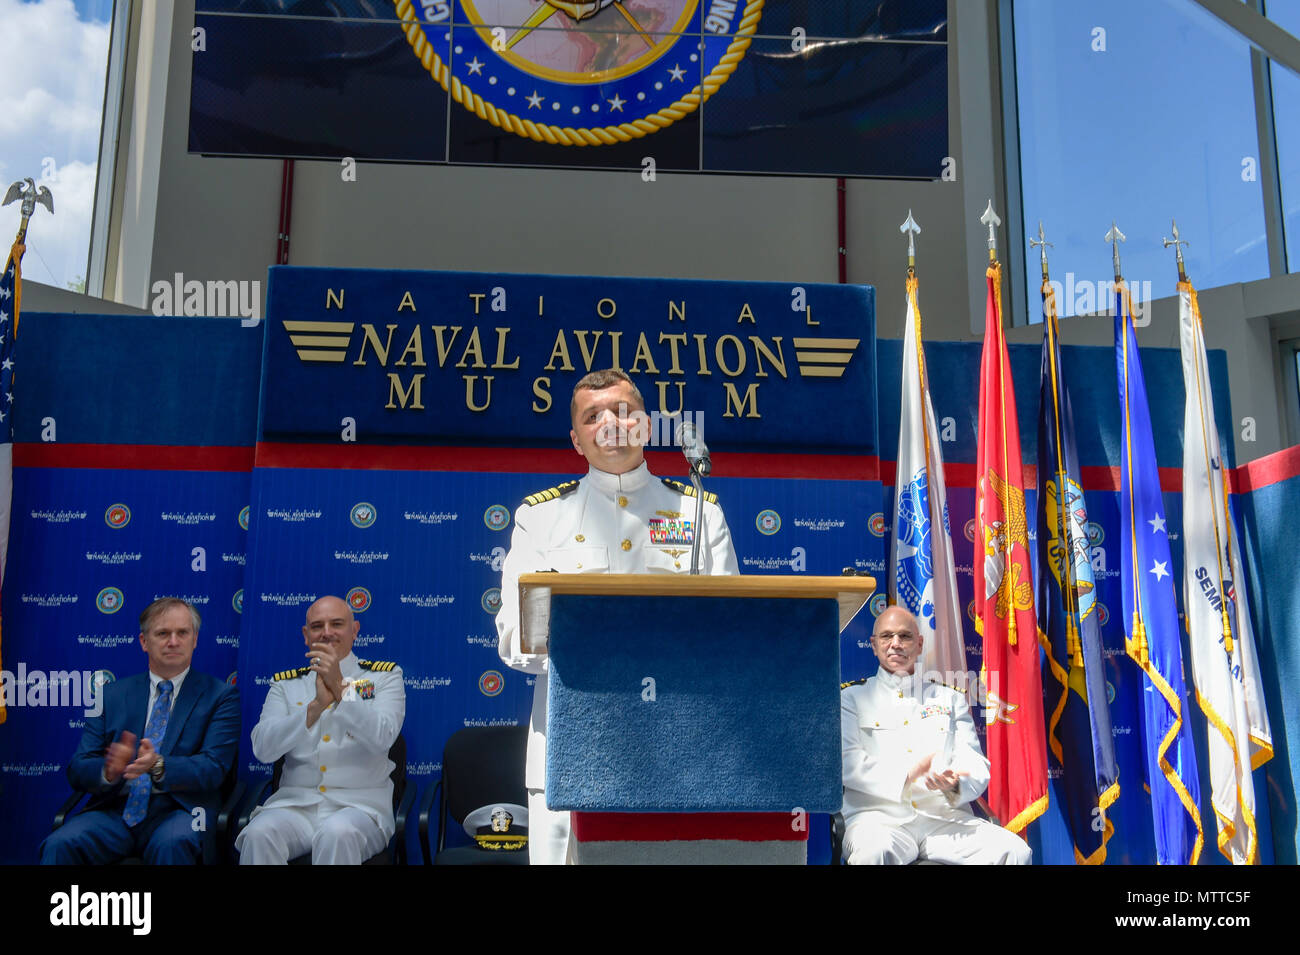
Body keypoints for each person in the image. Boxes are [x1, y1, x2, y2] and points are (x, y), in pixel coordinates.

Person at [496, 368, 739, 864]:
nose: (610, 422)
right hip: (570, 747)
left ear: (646, 426)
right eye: (593, 416)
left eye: (624, 411)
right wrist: (609, 647)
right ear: (576, 441)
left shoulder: (699, 513)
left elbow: (731, 629)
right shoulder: (539, 518)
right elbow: (514, 639)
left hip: (676, 743)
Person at [40, 598, 240, 865]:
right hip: (114, 811)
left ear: (195, 640)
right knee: (60, 843)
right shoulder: (109, 695)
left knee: (174, 842)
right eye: (162, 633)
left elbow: (214, 768)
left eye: (182, 633)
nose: (173, 641)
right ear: (144, 642)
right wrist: (109, 771)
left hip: (182, 811)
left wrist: (158, 765)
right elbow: (78, 768)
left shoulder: (220, 696)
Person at [840, 605, 1031, 865]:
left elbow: (974, 762)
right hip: (879, 819)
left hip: (944, 820)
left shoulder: (949, 698)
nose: (895, 644)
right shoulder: (850, 699)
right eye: (886, 636)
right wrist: (907, 776)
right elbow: (848, 764)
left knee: (1015, 852)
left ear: (919, 644)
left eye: (905, 636)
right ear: (873, 645)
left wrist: (955, 784)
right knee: (875, 852)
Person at [235, 594, 405, 864]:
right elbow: (263, 750)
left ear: (354, 631)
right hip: (296, 806)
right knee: (258, 833)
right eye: (317, 626)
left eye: (337, 624)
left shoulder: (384, 677)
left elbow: (382, 738)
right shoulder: (286, 685)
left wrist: (340, 689)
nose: (327, 633)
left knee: (336, 833)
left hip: (359, 809)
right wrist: (313, 708)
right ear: (306, 635)